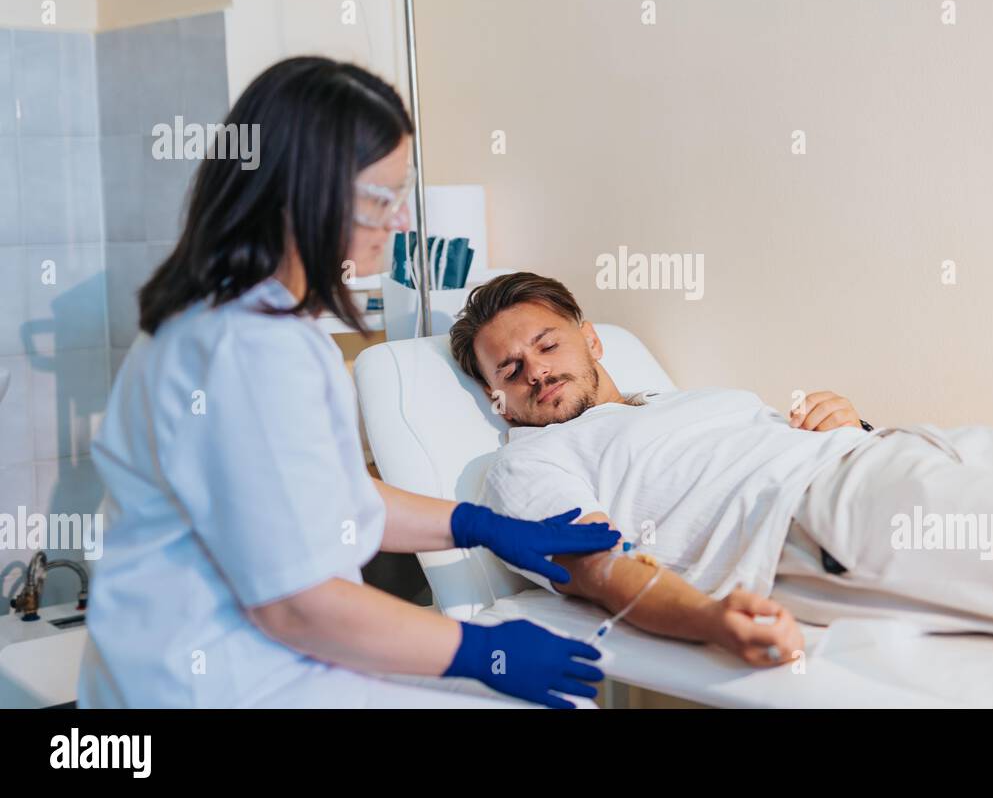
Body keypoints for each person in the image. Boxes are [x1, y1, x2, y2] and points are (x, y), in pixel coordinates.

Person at [79, 59, 617, 709]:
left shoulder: (256, 320)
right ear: (304, 193)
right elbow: (296, 606)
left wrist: (483, 525)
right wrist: (480, 651)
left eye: (402, 195)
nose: (398, 222)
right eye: (380, 199)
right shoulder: (245, 349)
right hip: (212, 681)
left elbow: (327, 500)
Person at [448, 271, 993, 664]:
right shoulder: (526, 465)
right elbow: (597, 567)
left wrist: (850, 421)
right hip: (822, 516)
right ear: (496, 399)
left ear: (590, 340)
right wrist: (710, 622)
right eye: (508, 370)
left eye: (546, 344)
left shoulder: (676, 401)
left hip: (894, 453)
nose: (536, 371)